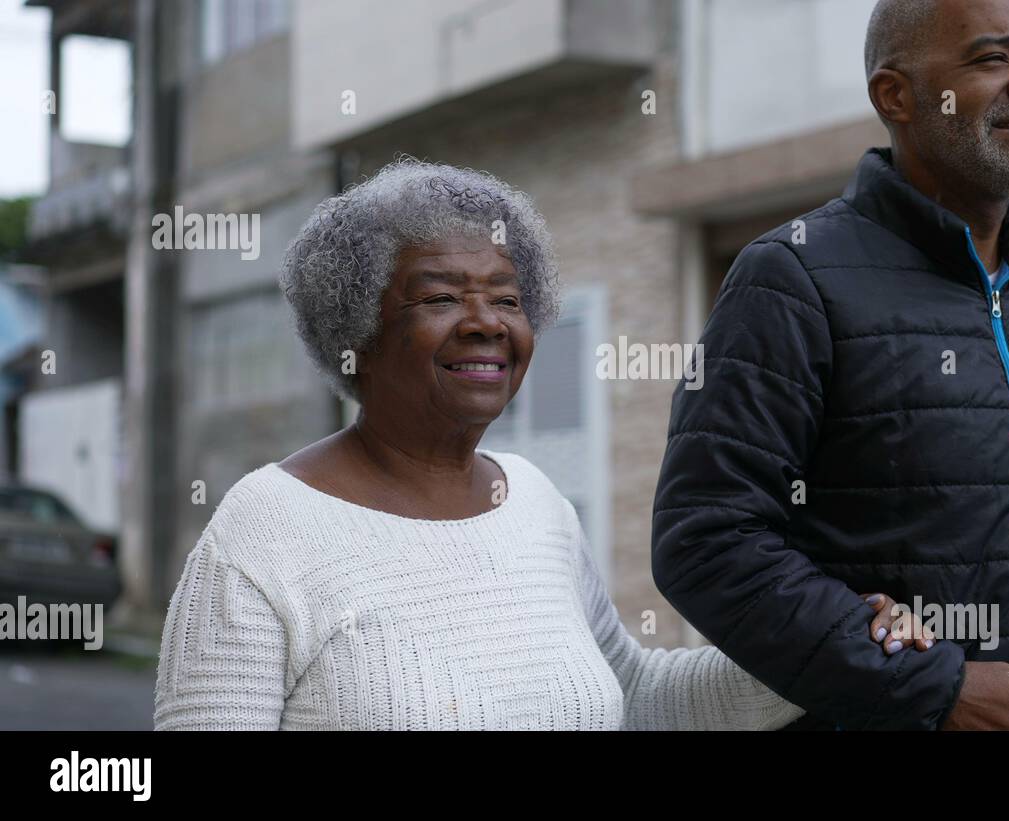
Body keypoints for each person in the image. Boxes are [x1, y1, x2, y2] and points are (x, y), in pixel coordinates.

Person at [154, 160, 824, 730]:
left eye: (506, 300)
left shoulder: (533, 502)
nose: (484, 324)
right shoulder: (263, 530)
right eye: (441, 297)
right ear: (354, 331)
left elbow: (639, 696)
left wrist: (830, 645)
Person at [651, 0, 1009, 731]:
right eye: (994, 59)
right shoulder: (794, 276)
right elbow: (706, 540)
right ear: (895, 95)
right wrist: (932, 685)